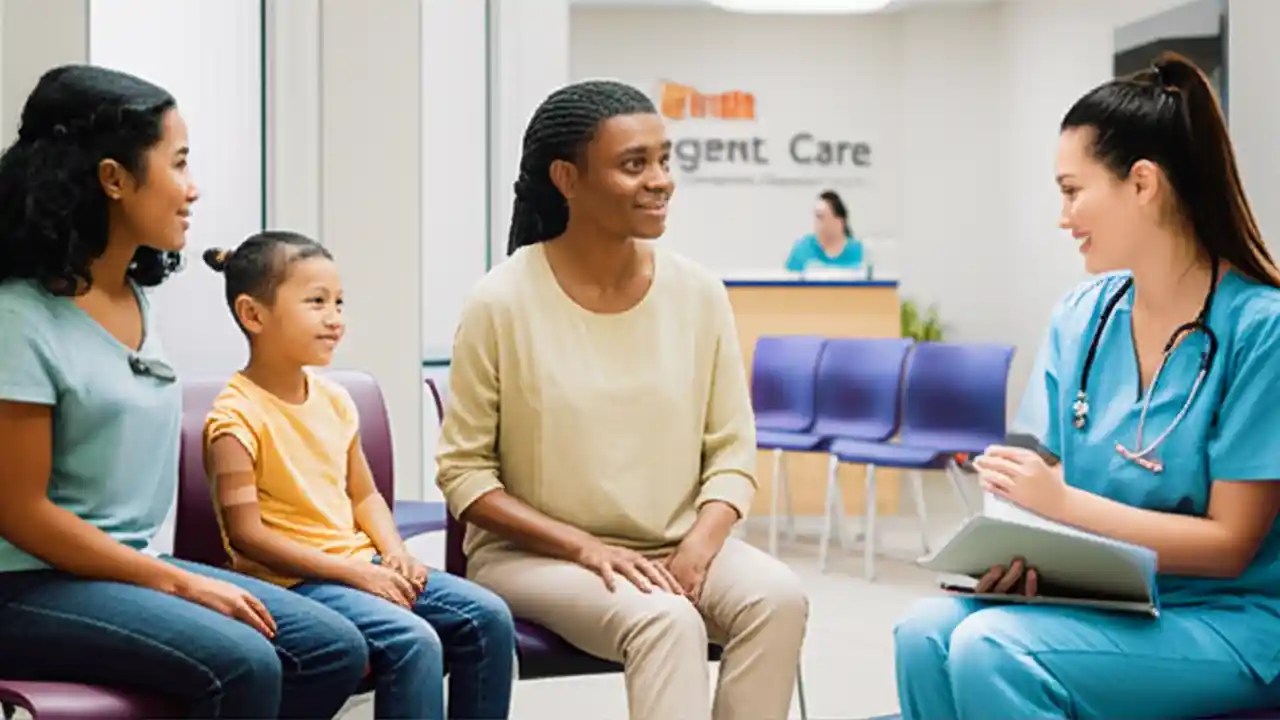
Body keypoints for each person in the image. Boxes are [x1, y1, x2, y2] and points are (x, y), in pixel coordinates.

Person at [893, 52, 1280, 720]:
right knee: (922, 634)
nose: (1062, 215)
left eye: (1073, 191)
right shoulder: (1083, 316)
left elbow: (1230, 546)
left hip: (1229, 619)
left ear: (1142, 184)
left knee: (994, 648)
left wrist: (1063, 505)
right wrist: (1016, 547)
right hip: (1105, 601)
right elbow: (1037, 478)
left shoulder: (1259, 329)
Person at [0, 65, 369, 719]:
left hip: (122, 572)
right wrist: (175, 580)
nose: (193, 190)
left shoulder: (131, 297)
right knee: (246, 659)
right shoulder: (18, 317)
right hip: (26, 586)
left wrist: (164, 576)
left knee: (331, 647)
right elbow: (20, 513)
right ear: (113, 178)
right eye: (178, 164)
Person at [436, 79, 809, 720]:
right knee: (667, 621)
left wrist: (699, 546)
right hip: (535, 558)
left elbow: (731, 451)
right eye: (634, 164)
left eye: (664, 160)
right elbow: (465, 476)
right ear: (567, 178)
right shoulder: (500, 302)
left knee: (778, 598)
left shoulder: (699, 294)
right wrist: (585, 548)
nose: (660, 180)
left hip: (675, 543)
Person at [201, 231, 516, 720]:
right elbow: (246, 537)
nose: (335, 319)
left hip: (359, 563)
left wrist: (394, 553)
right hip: (295, 584)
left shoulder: (334, 400)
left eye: (339, 302)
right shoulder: (234, 417)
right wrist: (355, 572)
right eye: (316, 302)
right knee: (414, 642)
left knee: (489, 618)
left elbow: (364, 495)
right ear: (253, 315)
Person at [783, 189, 863, 272]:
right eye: (816, 217)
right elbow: (787, 281)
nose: (817, 223)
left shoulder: (859, 251)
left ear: (839, 221)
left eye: (821, 217)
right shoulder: (803, 249)